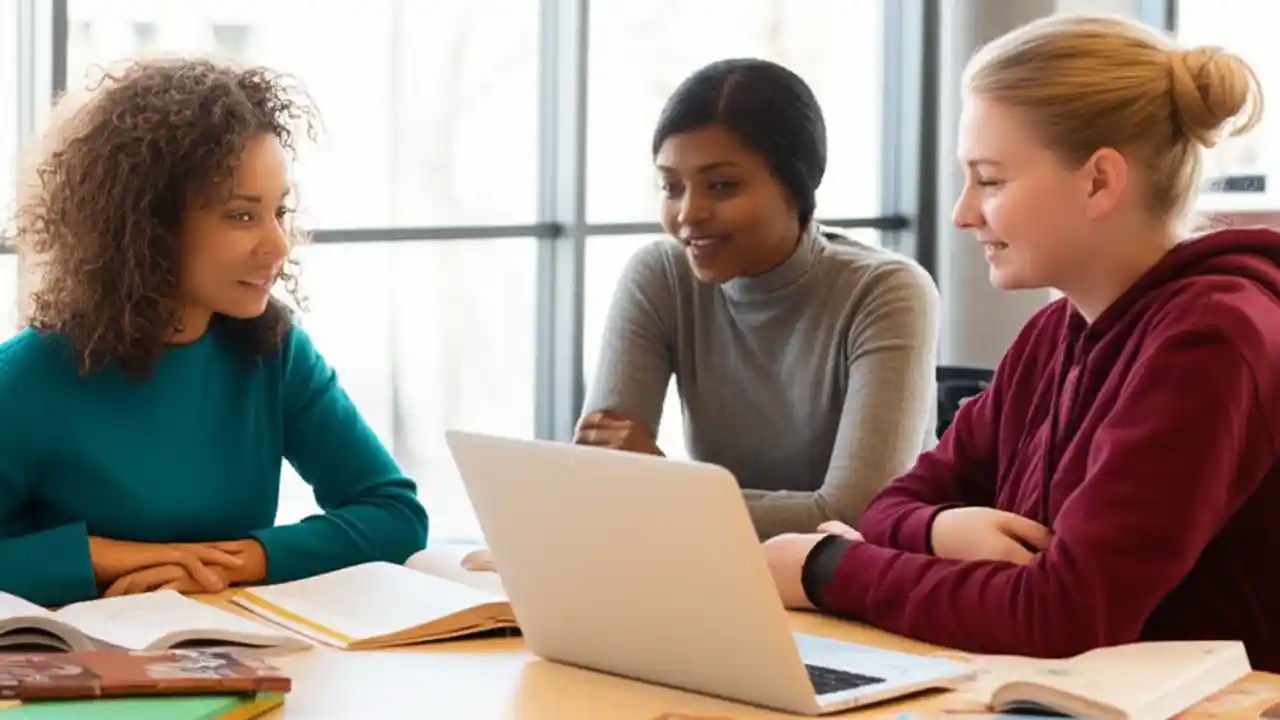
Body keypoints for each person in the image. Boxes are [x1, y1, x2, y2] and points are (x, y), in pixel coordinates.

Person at [762, 13, 1280, 672]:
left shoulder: (1211, 343)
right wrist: (941, 529)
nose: (963, 212)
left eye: (991, 179)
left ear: (1099, 181)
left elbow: (1061, 613)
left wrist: (827, 569)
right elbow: (891, 505)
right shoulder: (1052, 334)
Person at [0, 58, 428, 607]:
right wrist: (103, 556)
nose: (278, 246)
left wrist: (238, 562)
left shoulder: (274, 353)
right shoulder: (29, 378)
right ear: (149, 225)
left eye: (280, 211)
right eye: (242, 216)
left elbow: (394, 513)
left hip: (233, 656)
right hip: (73, 672)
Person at [576, 58, 940, 540]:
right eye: (671, 186)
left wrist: (664, 488)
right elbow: (601, 481)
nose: (688, 214)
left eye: (721, 186)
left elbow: (855, 515)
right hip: (721, 569)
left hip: (860, 587)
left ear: (795, 184)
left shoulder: (887, 292)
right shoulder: (661, 276)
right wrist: (666, 494)